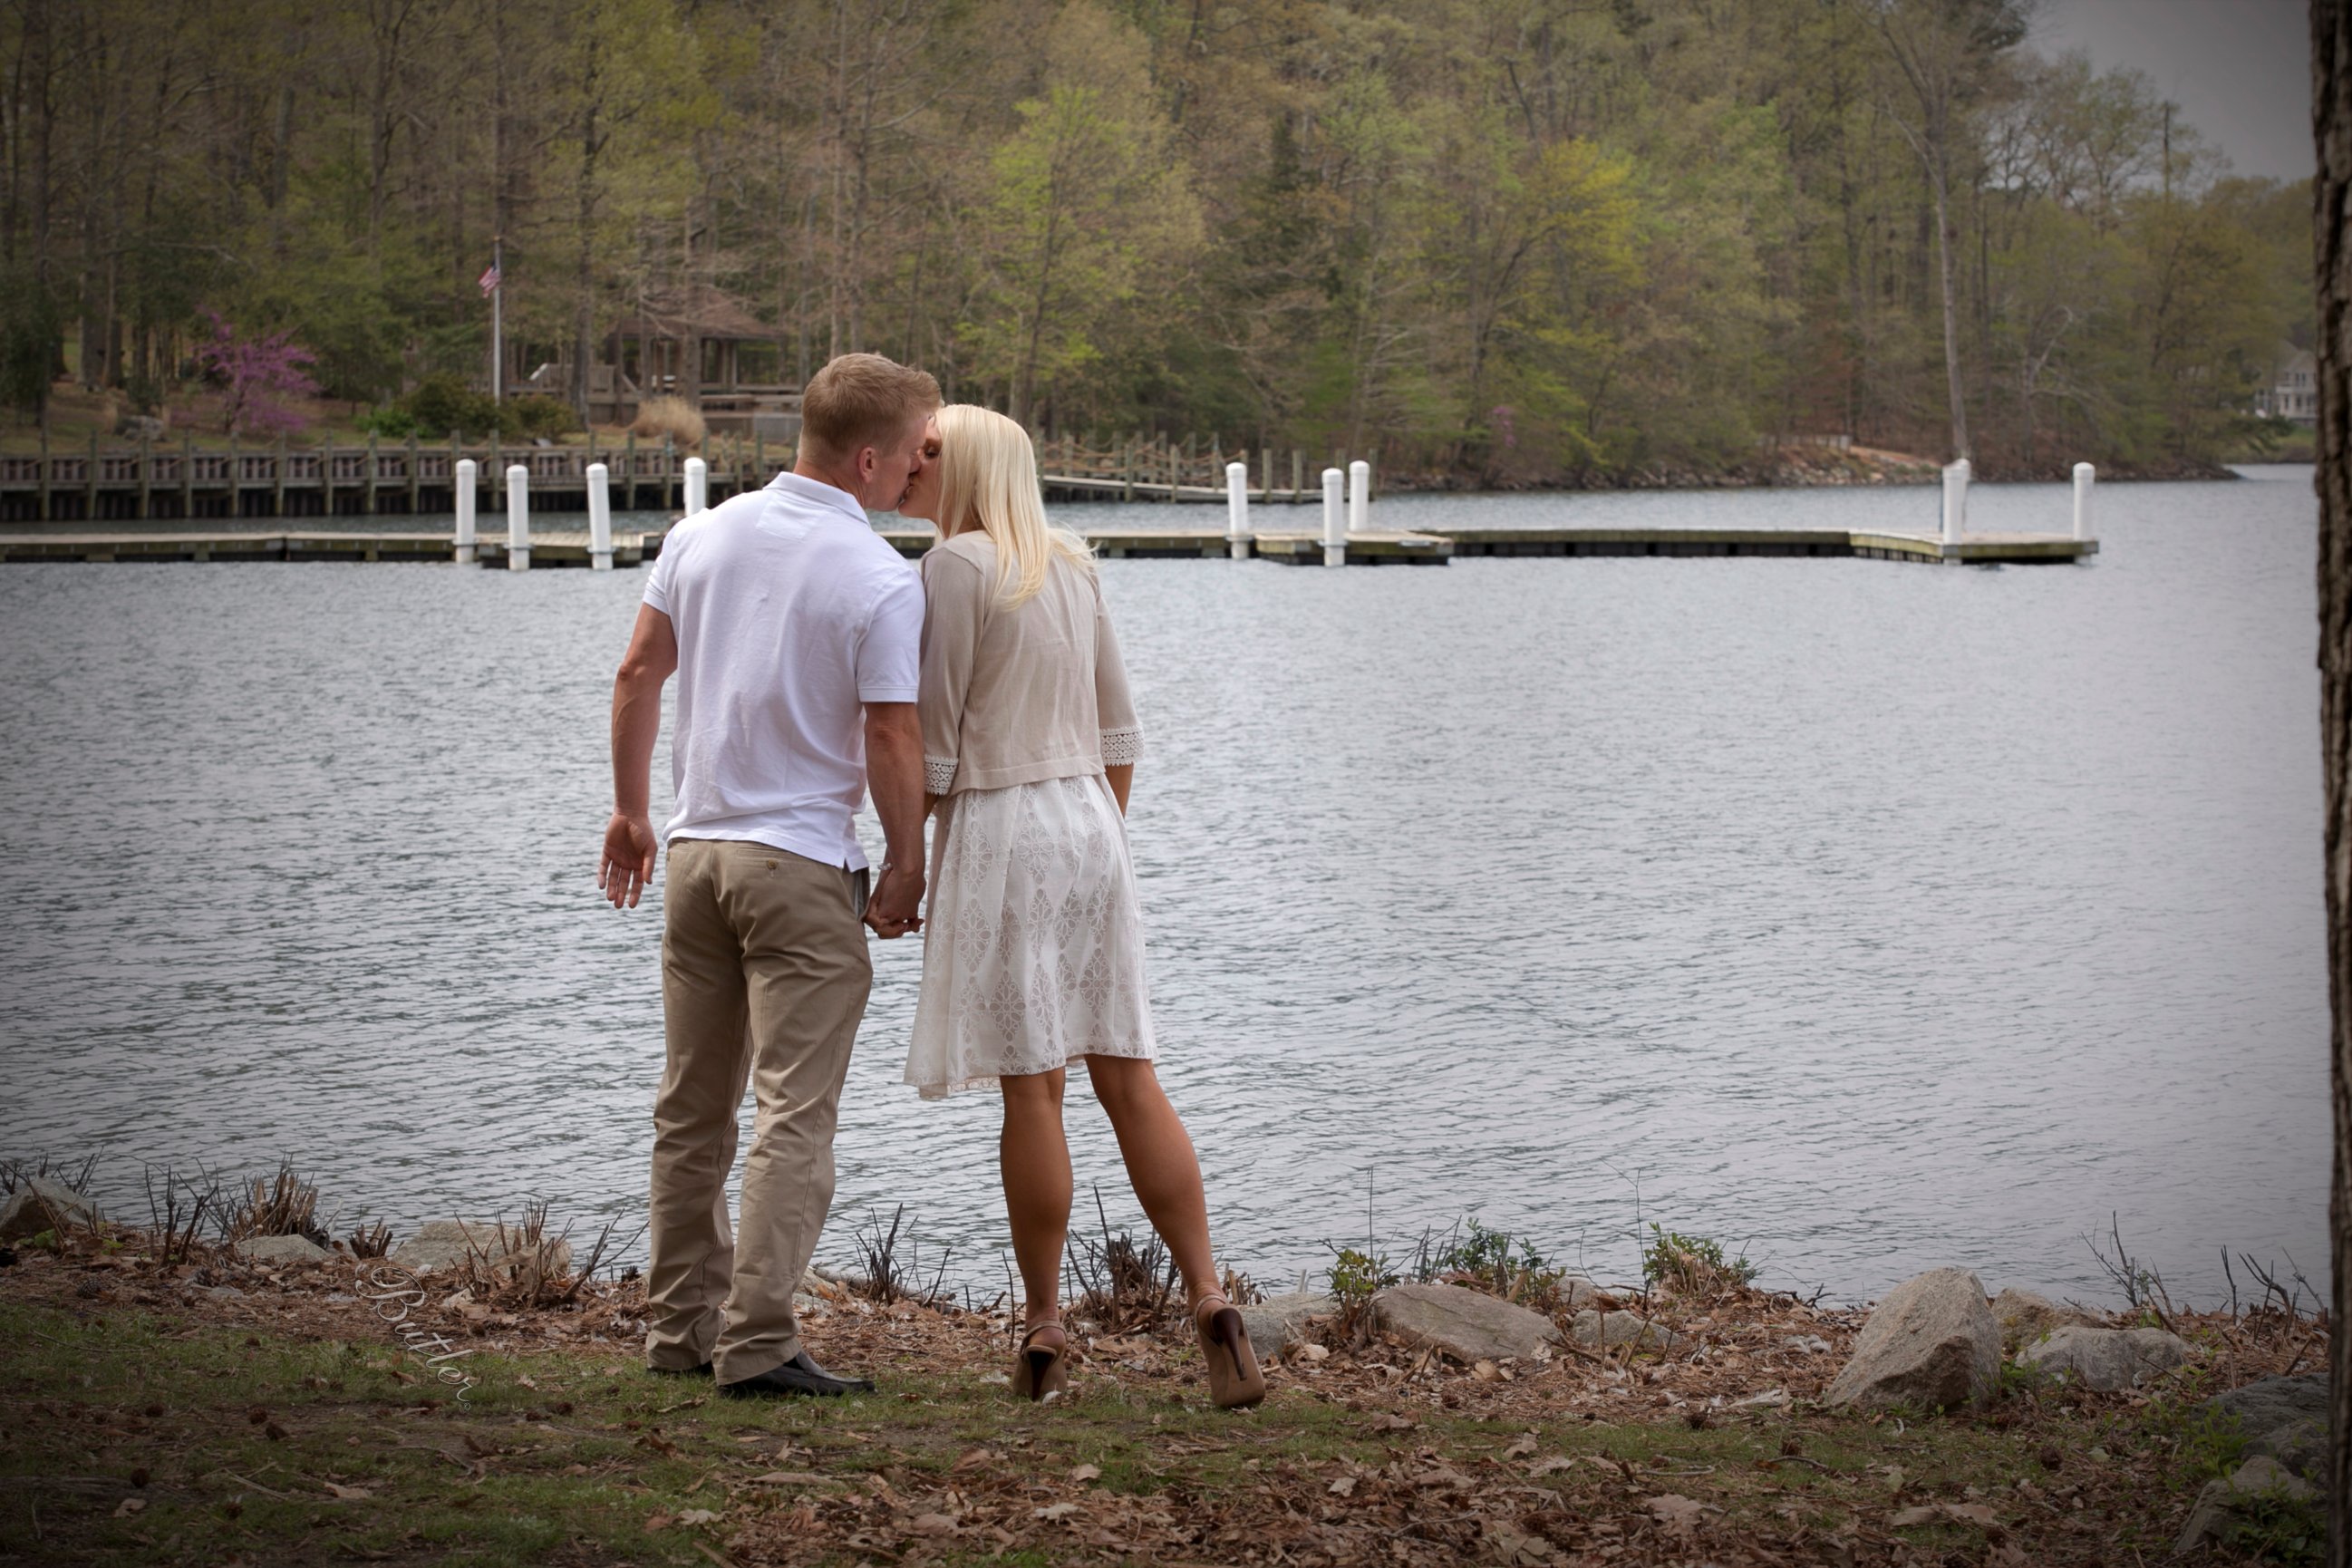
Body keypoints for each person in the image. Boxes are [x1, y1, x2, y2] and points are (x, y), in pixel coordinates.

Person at [895, 404, 1265, 1409]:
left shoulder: (952, 569)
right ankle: (1209, 1295)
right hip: (1093, 824)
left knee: (1034, 1089)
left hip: (1003, 826)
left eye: (932, 449)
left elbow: (930, 748)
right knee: (1130, 1075)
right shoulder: (1074, 563)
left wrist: (907, 863)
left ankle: (1047, 1321)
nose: (915, 460)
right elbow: (1121, 735)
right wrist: (1100, 844)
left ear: (968, 465)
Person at [598, 352, 938, 1399]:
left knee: (690, 1107)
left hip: (694, 858)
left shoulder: (698, 534)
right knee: (795, 1111)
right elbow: (889, 733)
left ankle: (678, 1330)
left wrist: (631, 809)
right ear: (872, 458)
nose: (924, 466)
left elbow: (636, 672)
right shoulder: (881, 576)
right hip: (797, 865)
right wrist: (907, 858)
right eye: (920, 450)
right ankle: (759, 1344)